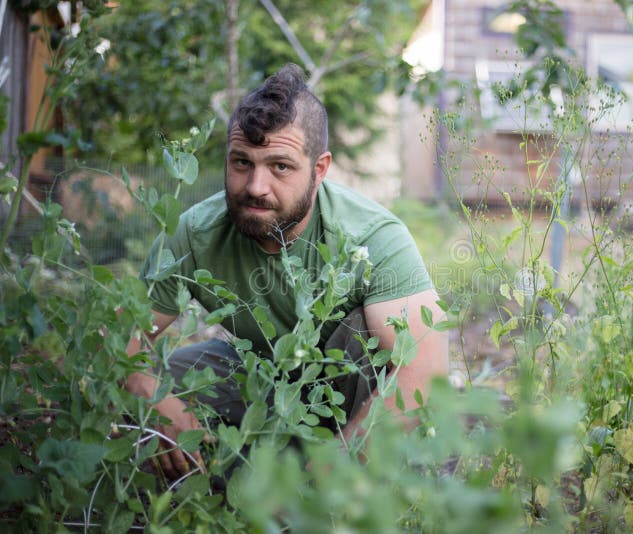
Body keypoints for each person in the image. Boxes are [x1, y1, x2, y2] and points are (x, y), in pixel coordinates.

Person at [124, 63, 448, 479]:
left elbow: (425, 372)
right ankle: (216, 488)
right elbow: (118, 337)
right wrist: (153, 398)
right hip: (264, 381)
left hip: (349, 404)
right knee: (170, 381)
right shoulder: (196, 231)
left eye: (280, 166)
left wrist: (342, 464)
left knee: (368, 341)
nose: (256, 186)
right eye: (242, 162)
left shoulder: (373, 236)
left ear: (320, 169)